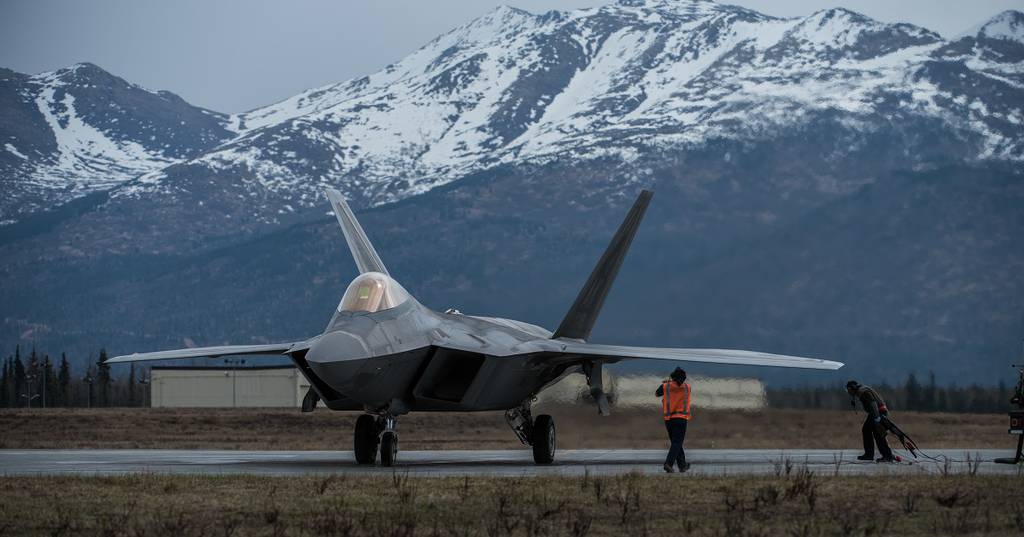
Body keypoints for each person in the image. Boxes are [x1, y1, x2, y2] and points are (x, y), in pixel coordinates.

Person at [845, 380, 895, 462]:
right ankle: (872, 454)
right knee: (867, 430)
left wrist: (877, 418)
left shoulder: (863, 392)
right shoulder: (862, 389)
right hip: (877, 412)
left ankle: (886, 455)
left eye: (849, 390)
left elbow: (873, 404)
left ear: (852, 388)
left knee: (877, 433)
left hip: (878, 412)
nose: (848, 392)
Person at [656, 367, 692, 473]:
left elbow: (657, 394)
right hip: (681, 419)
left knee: (676, 442)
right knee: (677, 442)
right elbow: (679, 386)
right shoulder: (687, 387)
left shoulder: (666, 386)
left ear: (673, 376)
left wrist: (667, 383)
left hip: (669, 419)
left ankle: (682, 465)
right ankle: (668, 463)